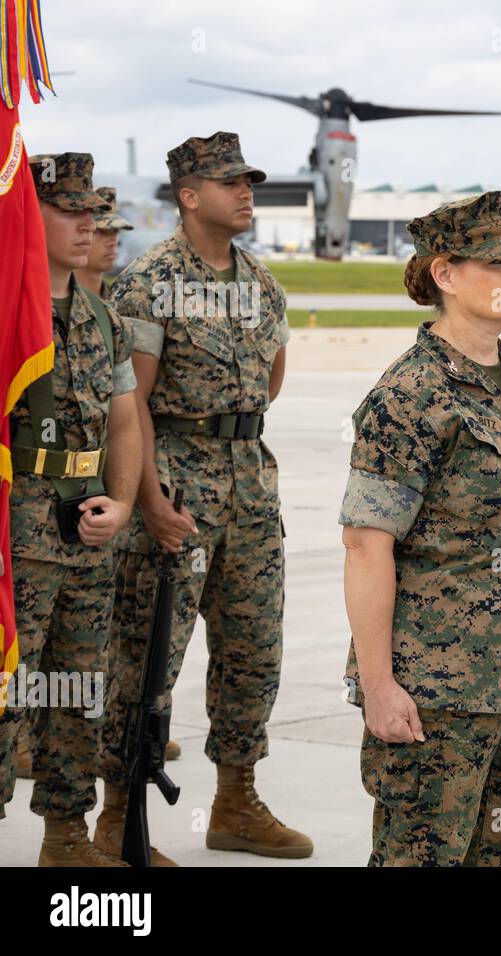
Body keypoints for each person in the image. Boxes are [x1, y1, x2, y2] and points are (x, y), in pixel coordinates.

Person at [341, 191, 501, 866]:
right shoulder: (410, 397)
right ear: (444, 274)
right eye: (497, 261)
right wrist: (379, 685)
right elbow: (366, 545)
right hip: (439, 690)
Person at [96, 131, 311, 862]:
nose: (245, 192)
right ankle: (116, 816)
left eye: (249, 180)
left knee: (253, 652)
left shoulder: (262, 280)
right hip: (176, 487)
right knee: (148, 656)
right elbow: (132, 408)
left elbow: (270, 381)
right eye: (229, 183)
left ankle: (236, 802)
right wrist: (149, 501)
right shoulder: (151, 280)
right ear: (189, 196)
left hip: (250, 485)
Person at [0, 152, 141, 865]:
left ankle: (66, 836)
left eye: (94, 210)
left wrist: (119, 502)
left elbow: (124, 420)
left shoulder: (101, 316)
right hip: (17, 535)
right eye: (70, 209)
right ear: (30, 212)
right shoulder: (5, 310)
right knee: (5, 693)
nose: (89, 223)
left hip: (85, 538)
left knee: (80, 689)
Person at [74, 186, 132, 298]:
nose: (112, 242)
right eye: (100, 231)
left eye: (115, 230)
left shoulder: (119, 301)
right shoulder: (55, 302)